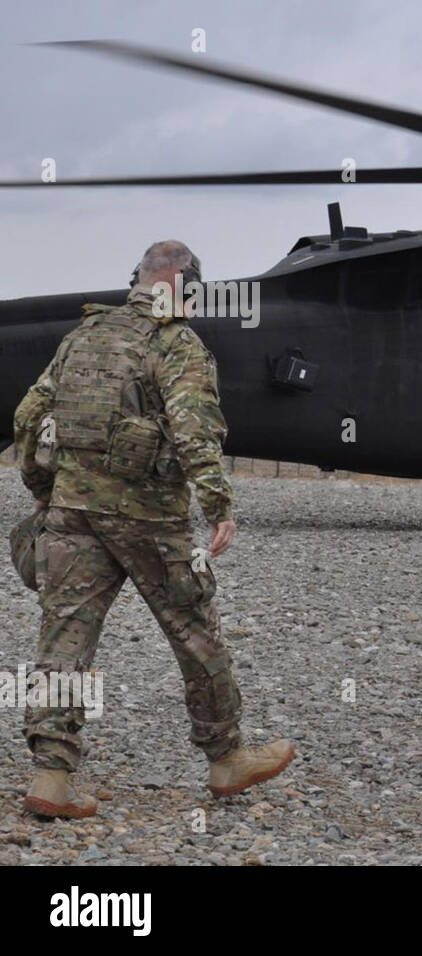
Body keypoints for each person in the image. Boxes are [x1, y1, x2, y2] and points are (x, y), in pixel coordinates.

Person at [11, 240, 293, 818]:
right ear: (186, 289)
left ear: (136, 278)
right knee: (194, 630)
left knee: (65, 641)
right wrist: (218, 506)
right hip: (149, 520)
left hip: (73, 514)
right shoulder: (177, 343)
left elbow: (28, 418)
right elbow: (195, 433)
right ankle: (226, 757)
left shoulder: (82, 336)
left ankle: (51, 777)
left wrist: (47, 495)